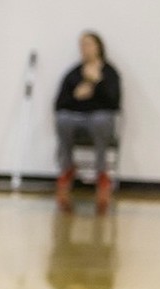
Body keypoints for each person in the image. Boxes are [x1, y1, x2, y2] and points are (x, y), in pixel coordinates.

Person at [54, 31, 121, 211]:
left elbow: (114, 102)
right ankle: (67, 168)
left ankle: (101, 172)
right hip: (77, 117)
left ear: (98, 47)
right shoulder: (74, 73)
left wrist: (97, 83)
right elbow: (59, 103)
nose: (85, 48)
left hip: (100, 117)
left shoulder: (109, 72)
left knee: (101, 121)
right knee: (63, 119)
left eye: (89, 44)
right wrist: (76, 96)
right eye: (82, 44)